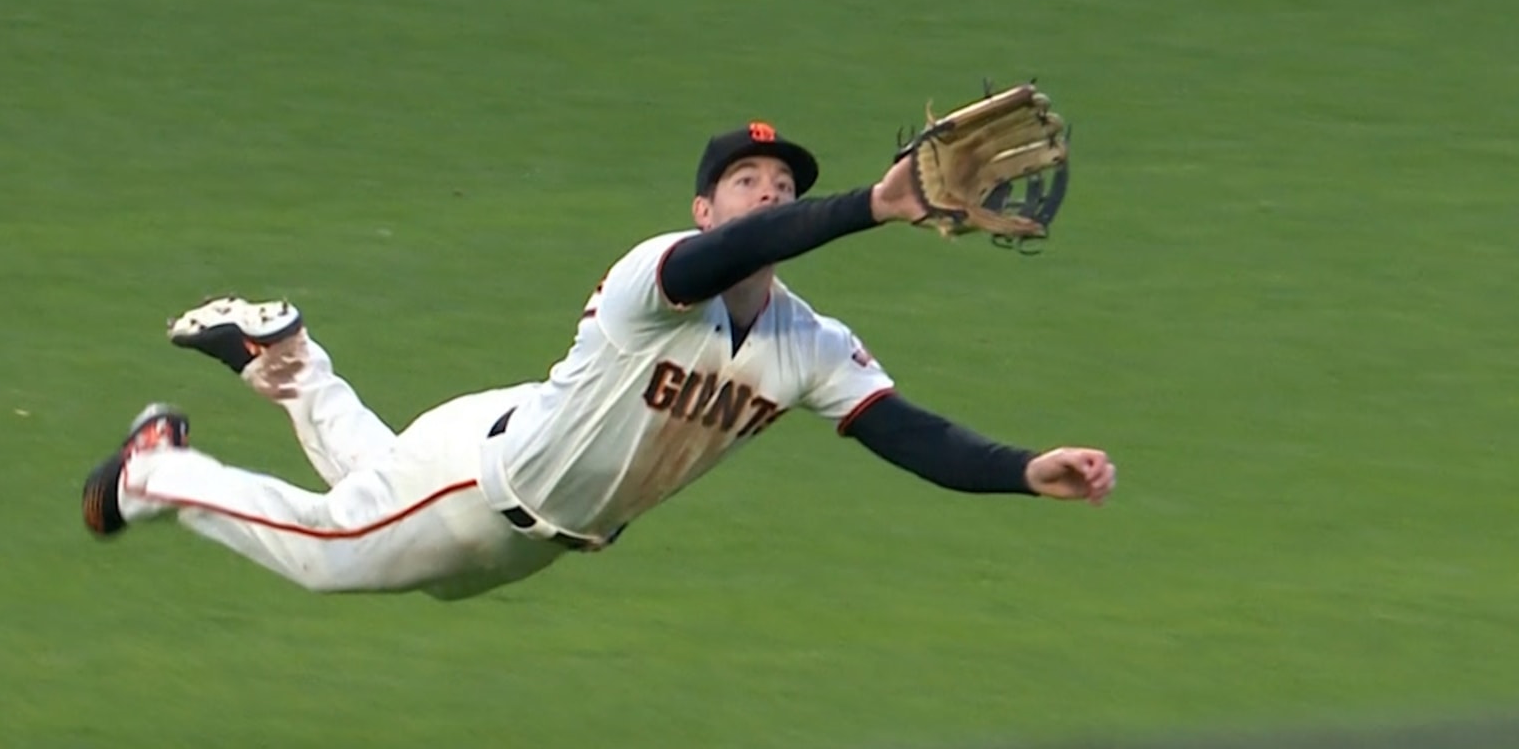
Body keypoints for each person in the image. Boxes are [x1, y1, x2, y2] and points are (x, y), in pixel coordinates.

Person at [81, 121, 1117, 601]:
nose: (767, 190)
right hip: (478, 481)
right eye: (745, 178)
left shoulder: (809, 346)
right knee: (326, 555)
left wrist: (1026, 471)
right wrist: (875, 205)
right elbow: (736, 256)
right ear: (705, 208)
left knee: (374, 501)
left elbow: (909, 434)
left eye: (781, 180)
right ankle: (154, 472)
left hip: (528, 527)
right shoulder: (658, 273)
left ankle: (290, 361)